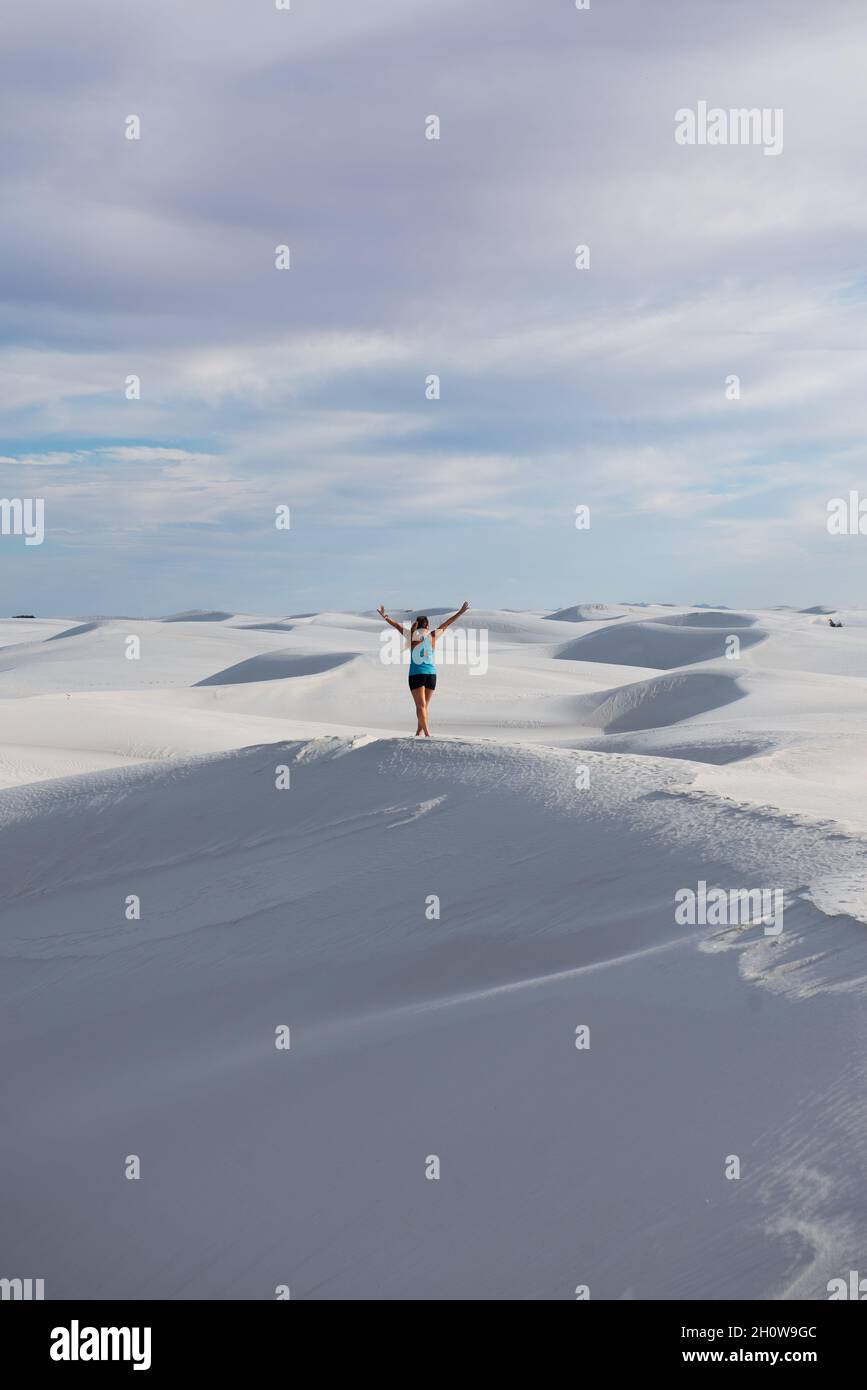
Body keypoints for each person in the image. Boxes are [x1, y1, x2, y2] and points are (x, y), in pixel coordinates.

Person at [377, 602, 470, 736]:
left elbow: (396, 625)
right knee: (424, 706)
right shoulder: (433, 635)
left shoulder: (411, 635)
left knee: (420, 706)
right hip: (431, 675)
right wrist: (460, 612)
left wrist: (385, 616)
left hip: (416, 675)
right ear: (427, 625)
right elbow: (447, 623)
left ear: (418, 624)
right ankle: (419, 732)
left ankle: (427, 733)